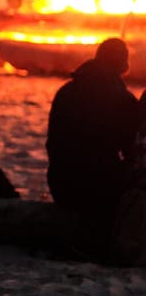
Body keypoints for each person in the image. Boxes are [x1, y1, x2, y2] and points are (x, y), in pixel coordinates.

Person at [46, 37, 143, 236]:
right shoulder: (123, 101)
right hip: (98, 189)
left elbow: (52, 145)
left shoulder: (66, 92)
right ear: (123, 65)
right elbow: (131, 152)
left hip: (60, 185)